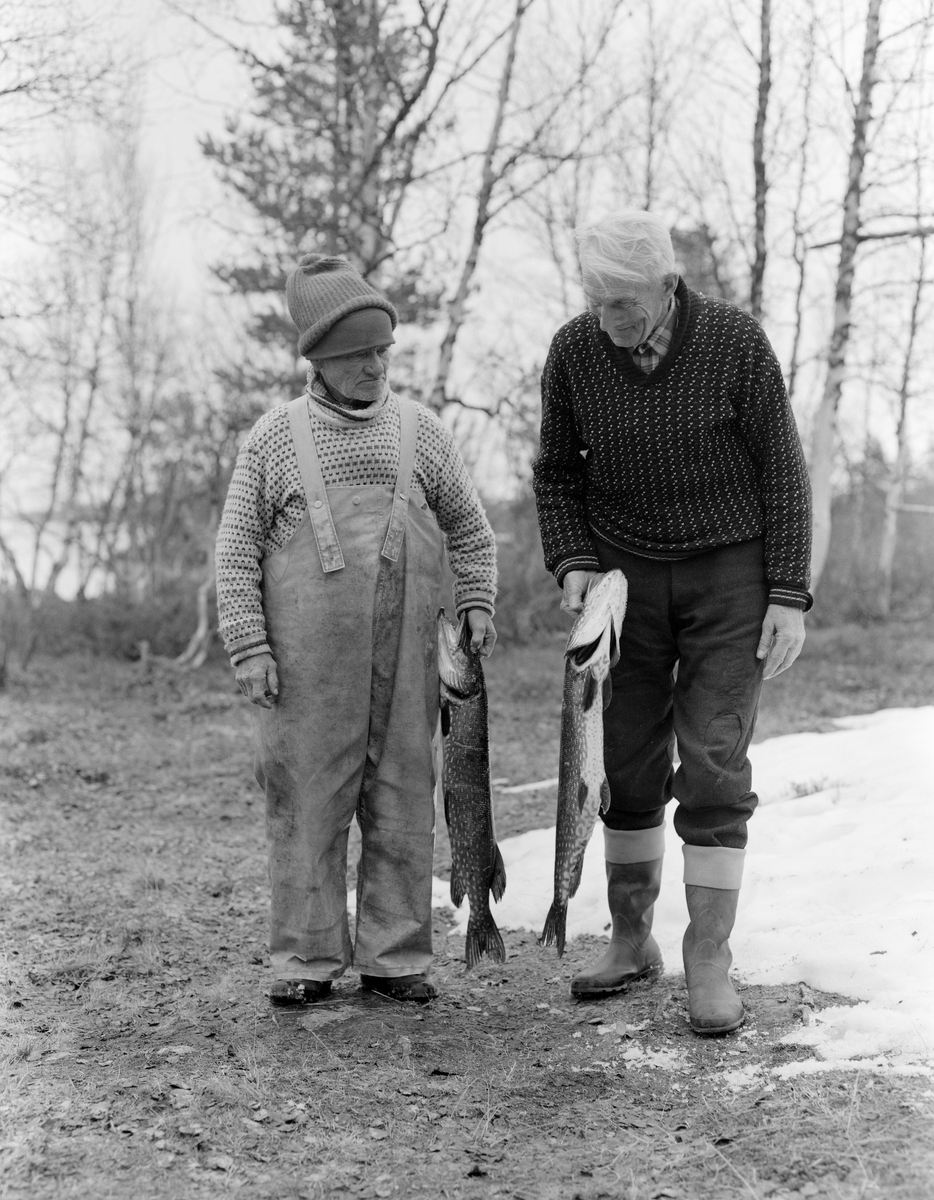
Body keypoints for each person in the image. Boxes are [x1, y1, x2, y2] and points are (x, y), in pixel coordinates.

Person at [532, 210, 812, 1034]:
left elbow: (783, 471)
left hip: (730, 574)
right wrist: (574, 563)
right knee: (622, 759)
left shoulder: (734, 341)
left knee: (715, 761)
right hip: (623, 579)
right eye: (596, 302)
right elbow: (556, 476)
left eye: (622, 303)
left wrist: (787, 594)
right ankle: (631, 937)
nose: (607, 320)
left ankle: (708, 954)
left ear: (666, 285)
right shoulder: (574, 352)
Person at [216, 254, 497, 1006]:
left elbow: (472, 532)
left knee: (404, 798)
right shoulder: (275, 439)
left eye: (383, 350)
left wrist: (477, 600)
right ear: (320, 359)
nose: (376, 366)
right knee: (305, 806)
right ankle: (306, 958)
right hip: (306, 672)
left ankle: (395, 958)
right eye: (359, 354)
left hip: (408, 662)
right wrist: (248, 645)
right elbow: (236, 550)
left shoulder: (422, 432)